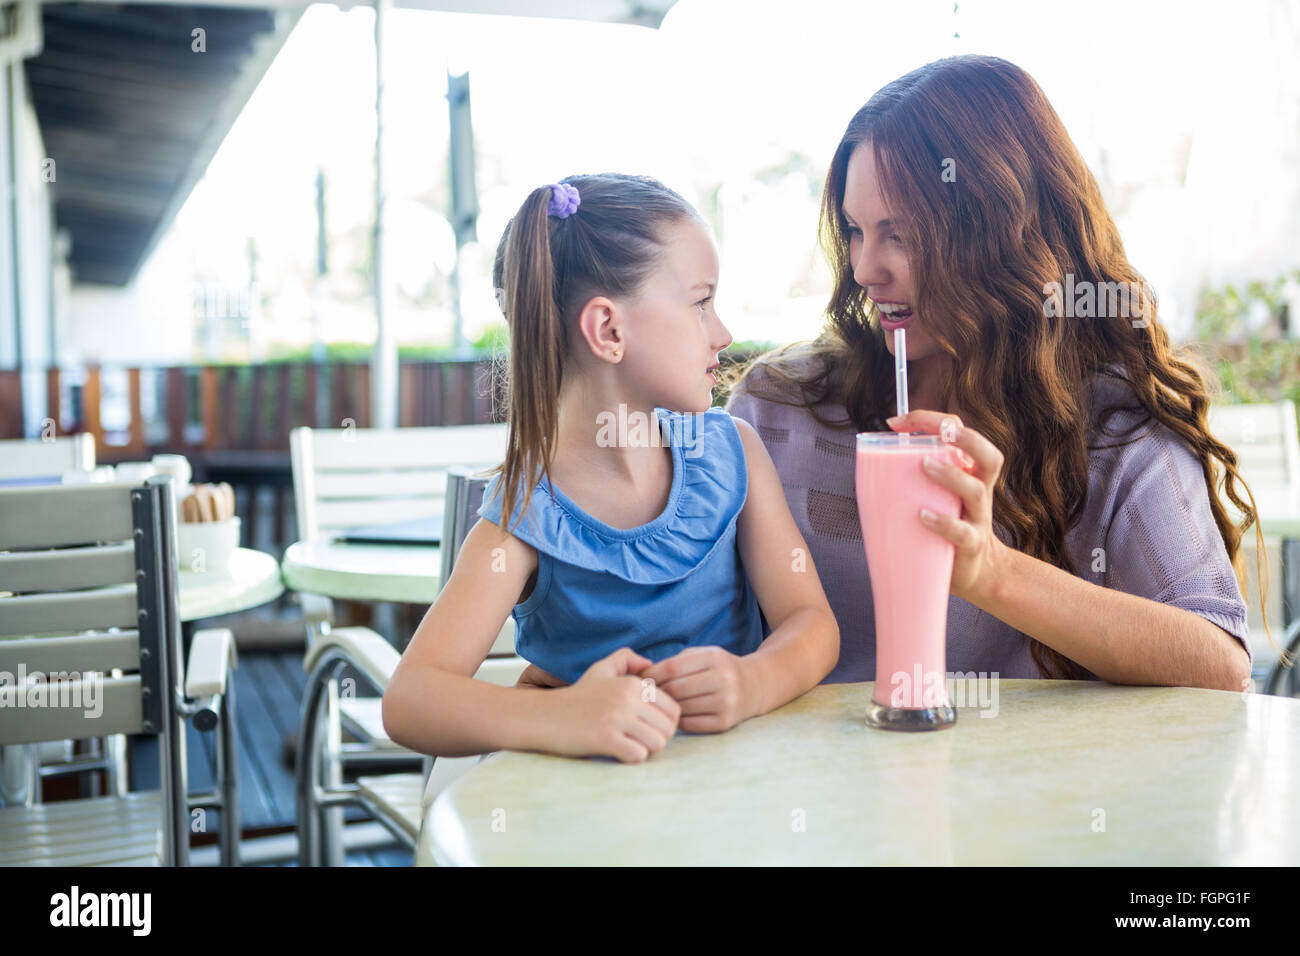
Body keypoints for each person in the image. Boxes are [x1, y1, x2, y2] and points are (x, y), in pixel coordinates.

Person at [724, 54, 1271, 692]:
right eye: (854, 231)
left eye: (899, 235)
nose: (866, 268)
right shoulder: (776, 411)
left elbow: (1219, 665)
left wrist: (992, 572)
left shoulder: (1115, 430)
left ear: (1003, 238)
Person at [383, 174, 839, 764]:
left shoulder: (735, 455)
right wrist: (562, 716)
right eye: (701, 303)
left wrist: (754, 682)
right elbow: (410, 701)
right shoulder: (526, 515)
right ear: (608, 329)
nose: (723, 334)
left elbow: (813, 624)